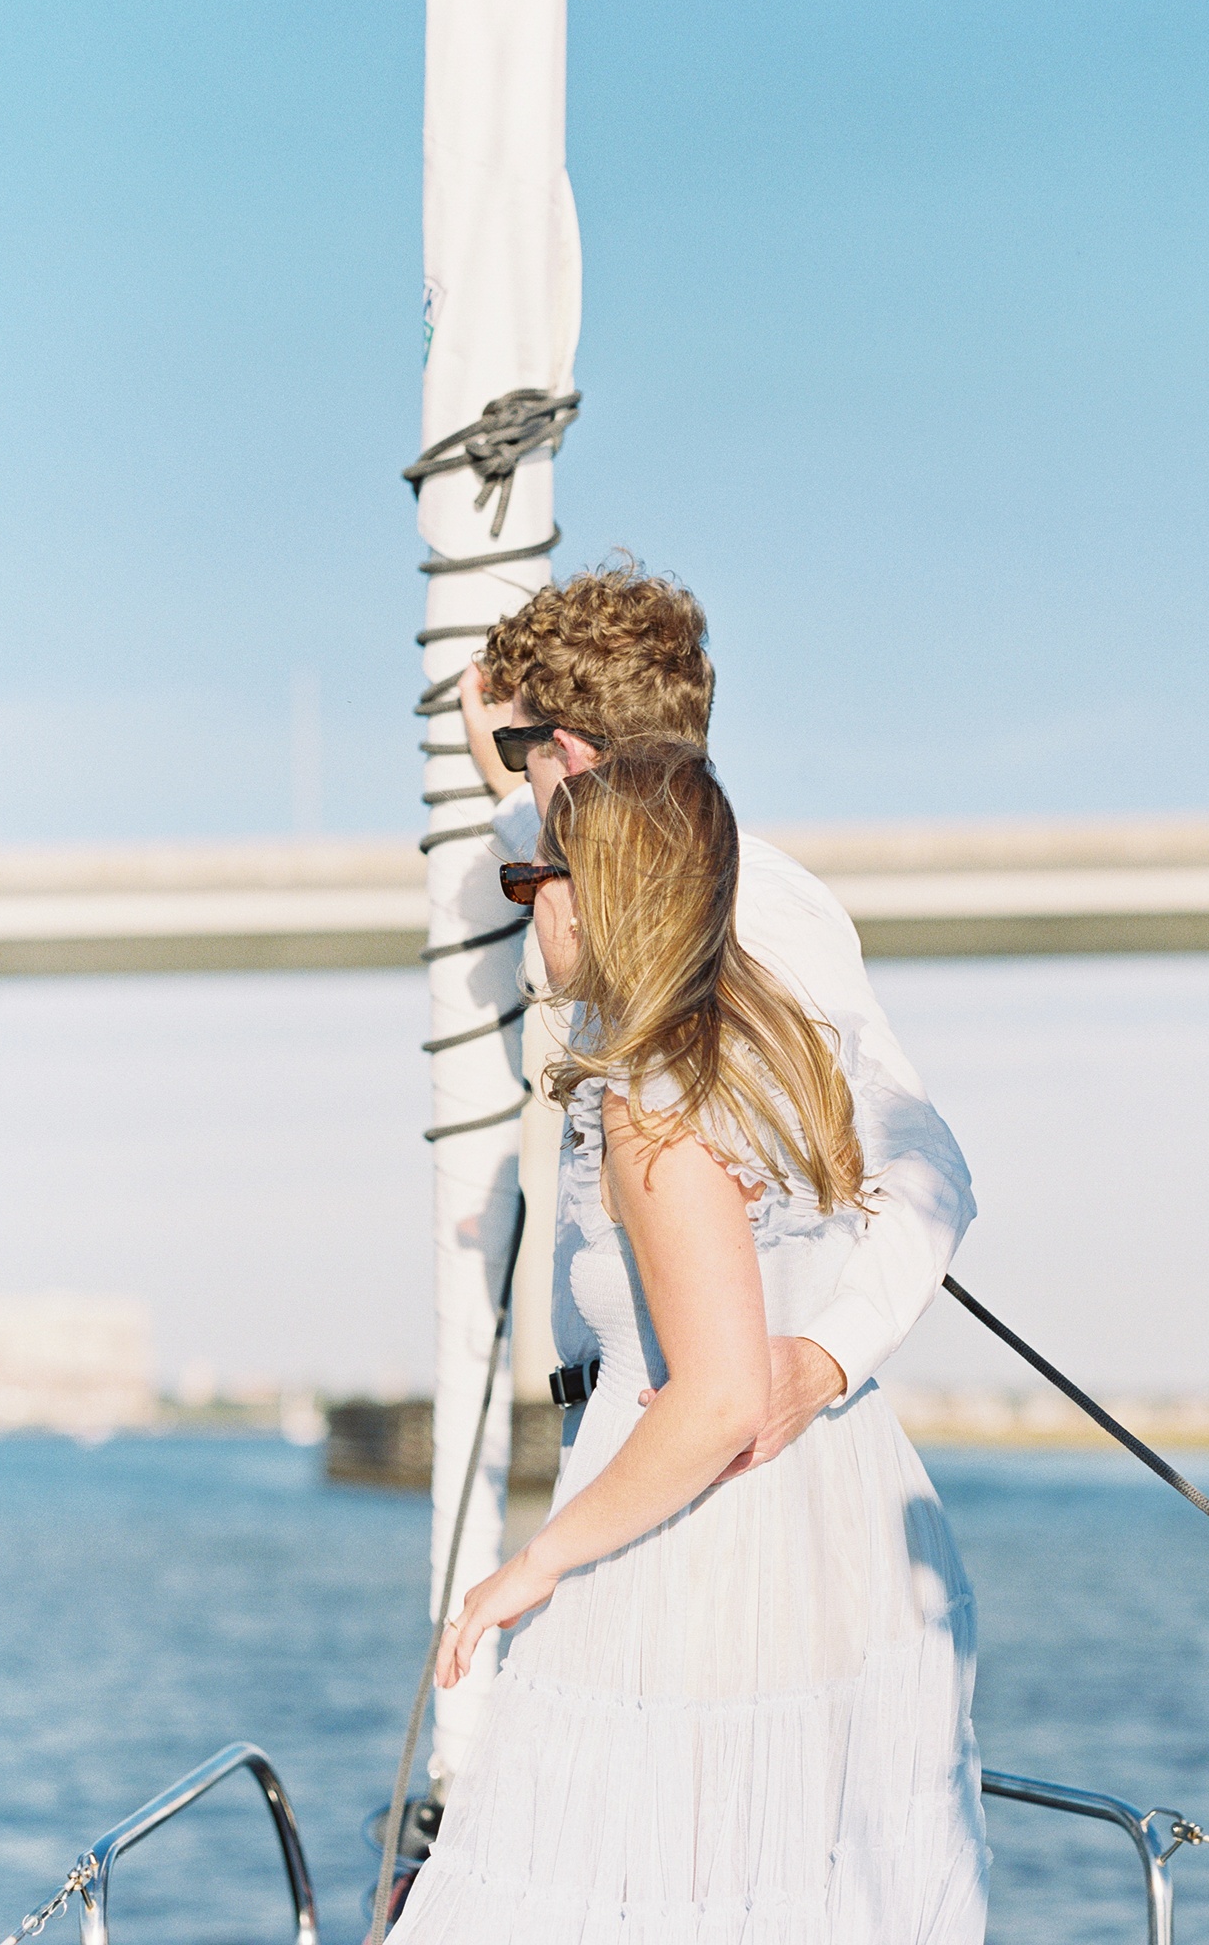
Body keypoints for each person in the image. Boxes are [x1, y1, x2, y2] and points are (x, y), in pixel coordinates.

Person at [392, 742, 989, 1941]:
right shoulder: (777, 1052)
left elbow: (714, 1394)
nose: (529, 909)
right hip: (831, 1542)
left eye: (532, 882)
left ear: (596, 894)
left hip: (695, 1555)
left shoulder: (650, 1099)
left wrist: (535, 1564)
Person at [458, 562, 976, 1466]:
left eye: (524, 751)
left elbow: (923, 1157)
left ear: (572, 754)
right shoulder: (622, 891)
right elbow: (537, 830)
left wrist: (821, 1361)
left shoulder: (755, 903)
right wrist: (504, 769)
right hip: (642, 1427)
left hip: (733, 1447)